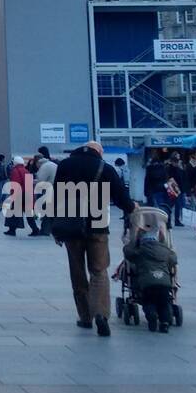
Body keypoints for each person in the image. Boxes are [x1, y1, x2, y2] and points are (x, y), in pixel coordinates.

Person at [51, 140, 136, 336]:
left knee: (77, 271)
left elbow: (56, 196)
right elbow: (121, 197)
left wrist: (56, 227)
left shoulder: (65, 165)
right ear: (98, 151)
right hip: (98, 223)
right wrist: (132, 208)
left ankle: (85, 316)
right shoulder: (104, 167)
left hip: (71, 223)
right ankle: (101, 314)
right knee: (99, 270)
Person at [123, 224, 178, 332]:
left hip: (147, 284)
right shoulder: (165, 250)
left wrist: (128, 243)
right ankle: (165, 322)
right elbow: (174, 260)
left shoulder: (141, 251)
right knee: (164, 303)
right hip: (164, 283)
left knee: (148, 302)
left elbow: (128, 253)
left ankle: (152, 317)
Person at [4, 155, 32, 236]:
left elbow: (15, 184)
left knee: (12, 212)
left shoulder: (15, 171)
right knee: (27, 212)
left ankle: (12, 230)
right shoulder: (26, 170)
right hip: (26, 194)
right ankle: (34, 229)